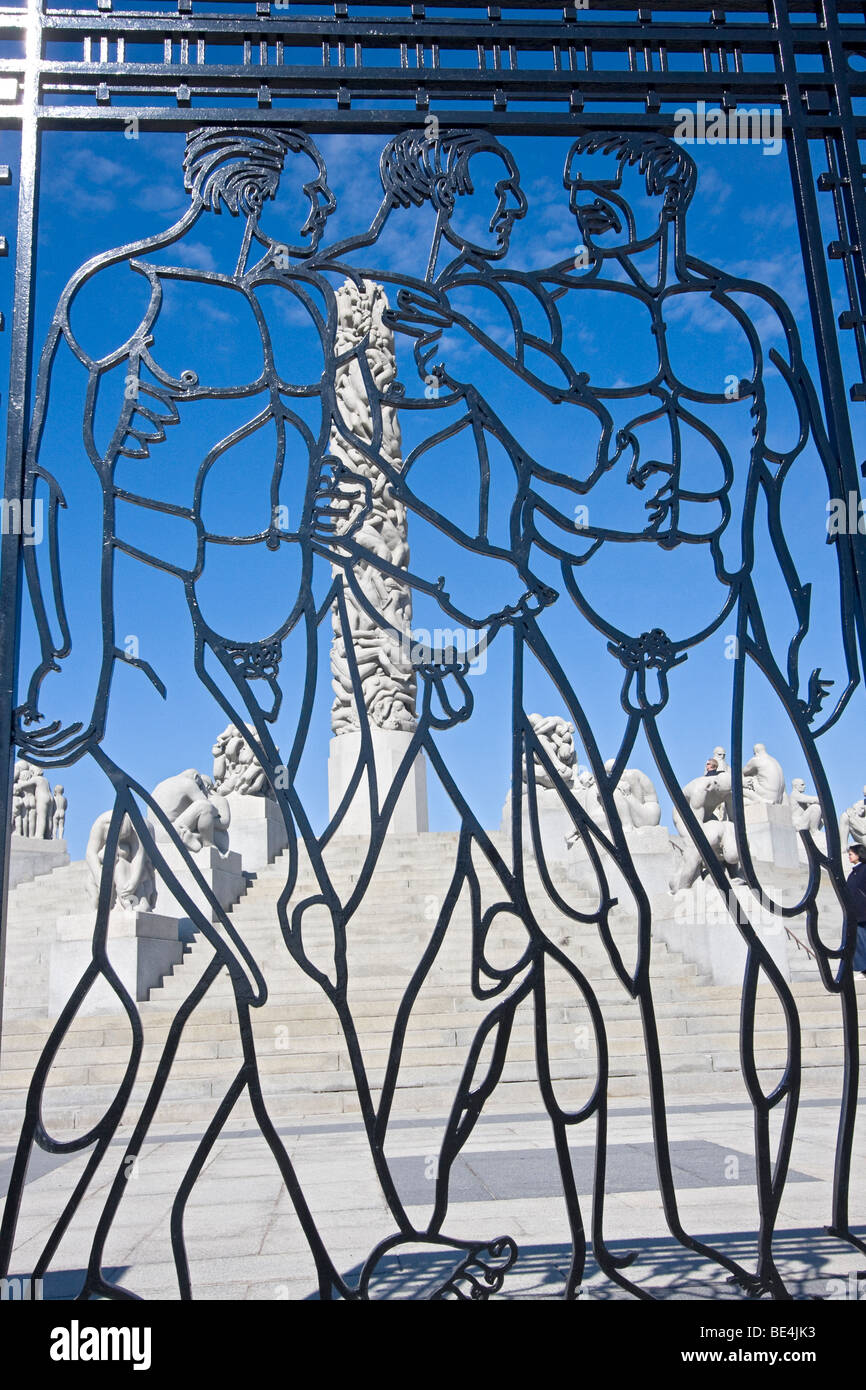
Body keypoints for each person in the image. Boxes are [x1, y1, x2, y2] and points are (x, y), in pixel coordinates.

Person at [847, 844, 866, 975]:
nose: (849, 856)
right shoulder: (853, 872)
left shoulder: (864, 870)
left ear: (859, 854)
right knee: (859, 941)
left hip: (862, 912)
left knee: (861, 941)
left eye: (851, 854)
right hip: (857, 913)